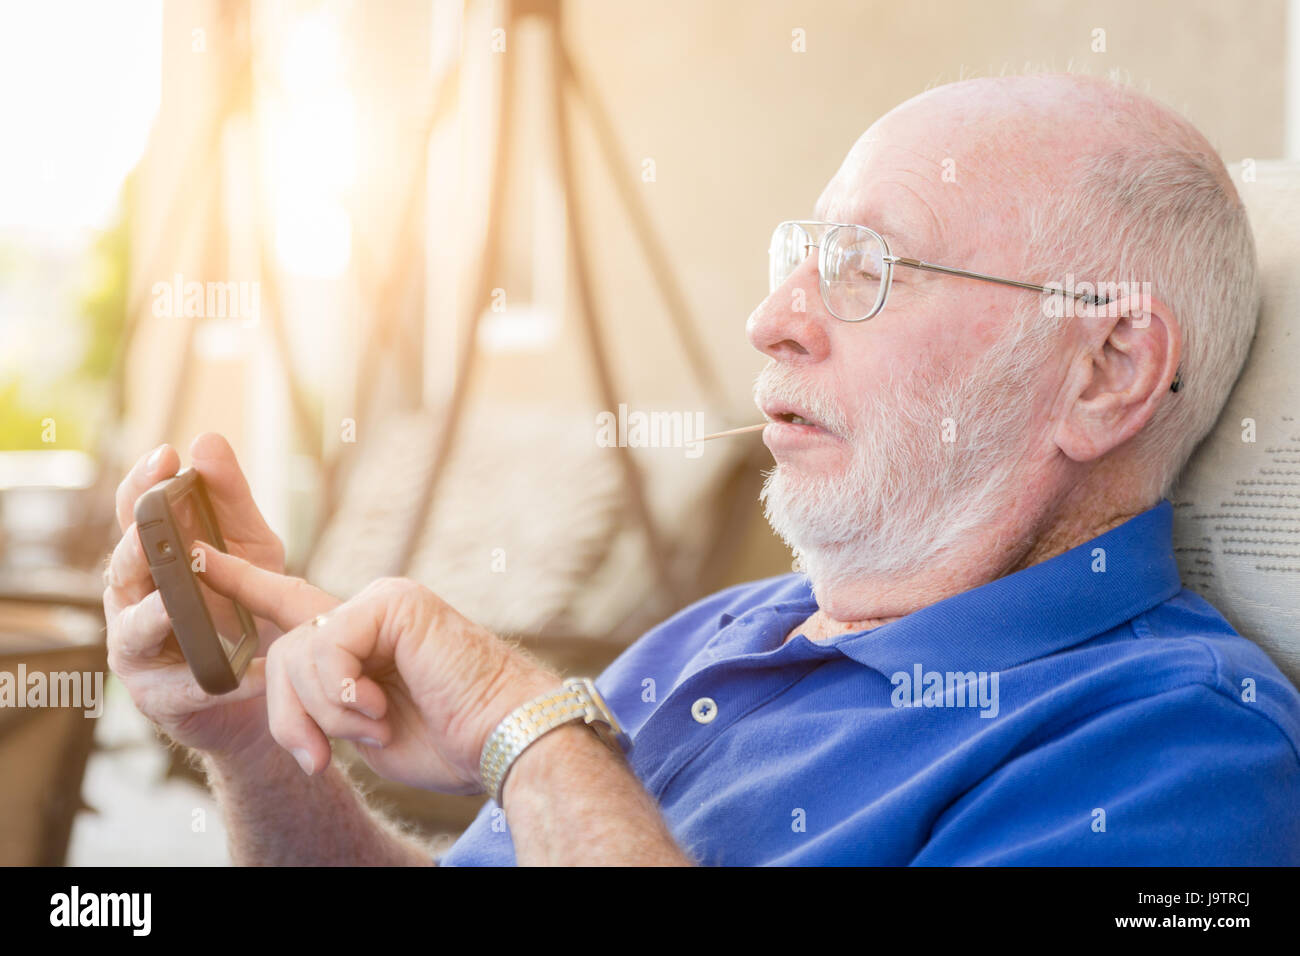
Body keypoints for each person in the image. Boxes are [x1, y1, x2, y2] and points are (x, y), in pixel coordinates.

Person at [103, 73, 1300, 865]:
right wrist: (255, 737)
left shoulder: (1178, 752)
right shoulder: (730, 631)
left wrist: (530, 729)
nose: (770, 318)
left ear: (1106, 368)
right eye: (802, 256)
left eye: (866, 266)